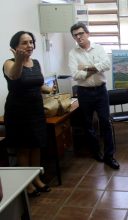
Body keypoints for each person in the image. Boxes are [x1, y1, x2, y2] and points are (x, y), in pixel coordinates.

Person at [3, 31, 52, 197]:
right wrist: (19, 60)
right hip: (18, 111)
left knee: (36, 145)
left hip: (36, 110)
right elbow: (15, 76)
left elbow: (37, 83)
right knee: (23, 148)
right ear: (15, 46)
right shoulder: (9, 63)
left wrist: (47, 89)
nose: (29, 45)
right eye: (24, 42)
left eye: (31, 42)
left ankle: (36, 178)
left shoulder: (36, 62)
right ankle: (27, 183)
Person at [68, 22, 119, 169]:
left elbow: (107, 65)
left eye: (81, 33)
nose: (79, 37)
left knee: (105, 123)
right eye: (75, 35)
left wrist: (86, 68)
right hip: (84, 92)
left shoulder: (99, 48)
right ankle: (96, 152)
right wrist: (96, 68)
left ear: (87, 33)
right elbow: (76, 75)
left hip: (101, 91)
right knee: (88, 125)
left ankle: (110, 156)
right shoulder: (73, 53)